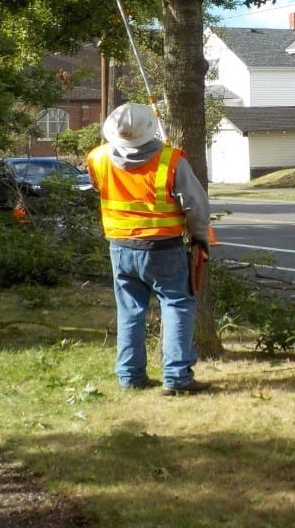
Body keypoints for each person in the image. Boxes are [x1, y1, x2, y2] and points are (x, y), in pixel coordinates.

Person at [87, 103, 212, 396]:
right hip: (163, 247)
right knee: (177, 305)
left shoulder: (97, 158)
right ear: (149, 130)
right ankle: (177, 378)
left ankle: (130, 375)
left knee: (130, 309)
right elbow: (195, 206)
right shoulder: (171, 160)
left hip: (120, 246)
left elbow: (100, 188)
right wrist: (199, 237)